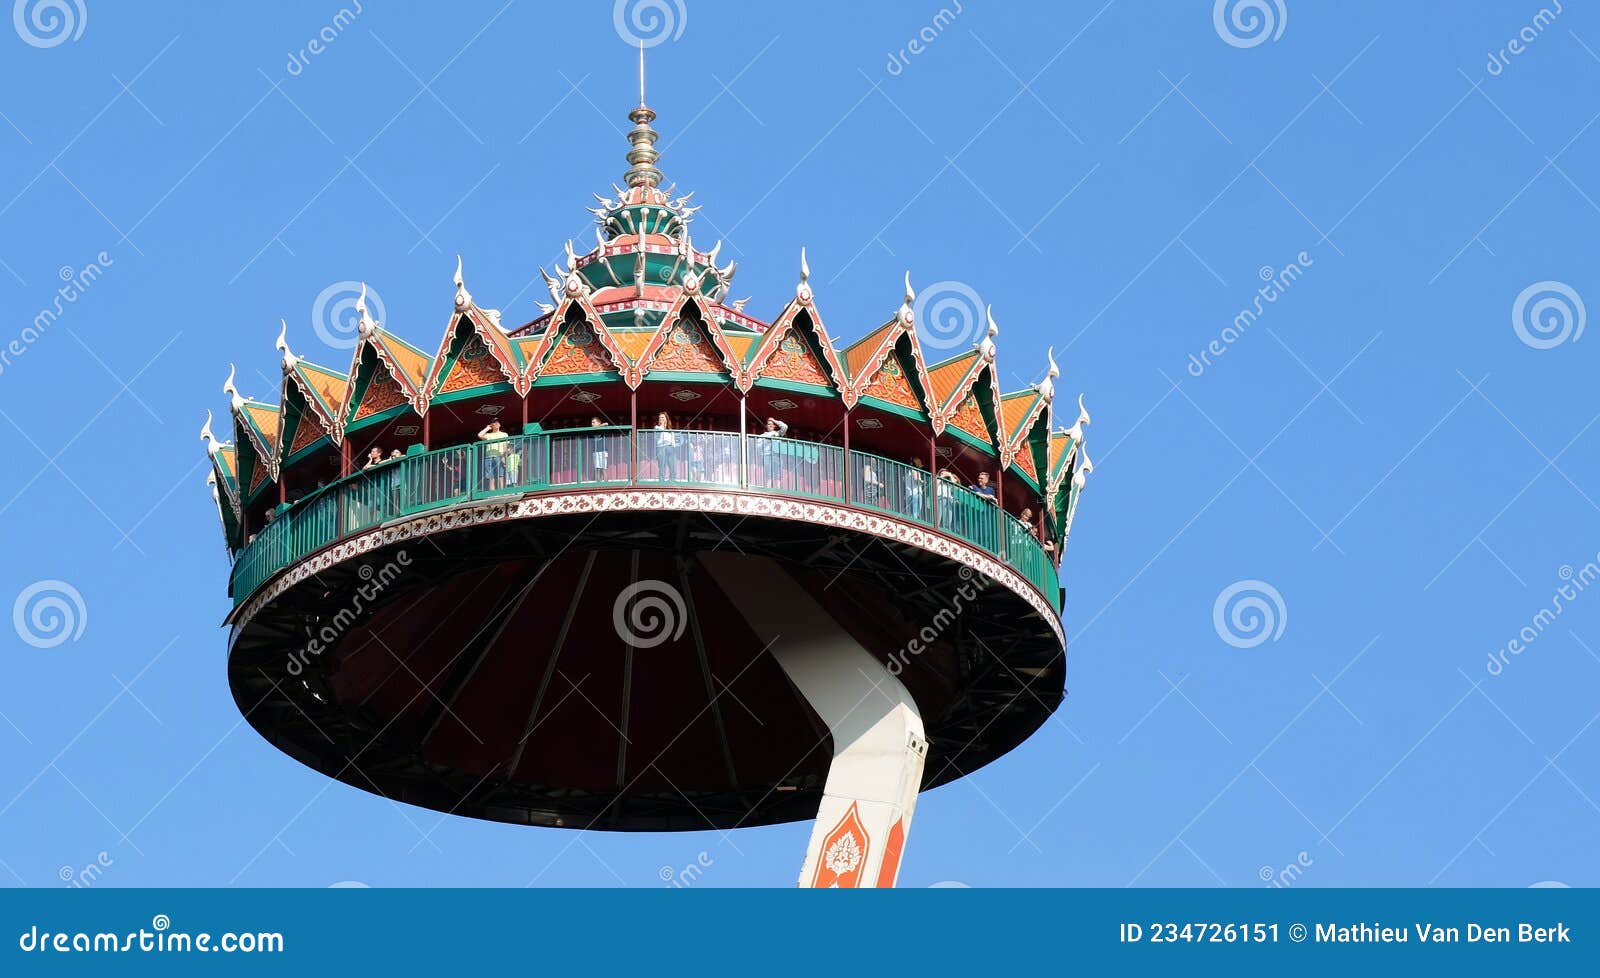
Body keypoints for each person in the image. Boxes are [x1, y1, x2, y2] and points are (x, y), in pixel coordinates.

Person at [478, 420, 509, 491]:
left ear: (500, 425)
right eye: (494, 423)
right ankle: (493, 493)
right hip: (488, 457)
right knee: (491, 477)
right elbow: (479, 435)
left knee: (500, 476)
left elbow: (505, 446)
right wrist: (487, 428)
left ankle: (502, 491)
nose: (496, 424)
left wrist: (504, 457)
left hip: (499, 456)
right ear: (492, 425)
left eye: (498, 422)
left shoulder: (504, 434)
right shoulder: (488, 435)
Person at [653, 412, 677, 482]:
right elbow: (660, 430)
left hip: (670, 447)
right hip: (661, 447)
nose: (661, 419)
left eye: (663, 417)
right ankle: (661, 480)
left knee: (671, 464)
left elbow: (673, 438)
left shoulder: (670, 429)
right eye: (660, 418)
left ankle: (672, 479)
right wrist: (662, 425)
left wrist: (673, 446)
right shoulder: (657, 427)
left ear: (666, 418)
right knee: (662, 464)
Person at [589, 416, 610, 481]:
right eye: (591, 423)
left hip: (603, 451)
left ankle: (606, 483)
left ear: (598, 423)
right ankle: (597, 483)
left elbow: (606, 424)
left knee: (603, 468)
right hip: (595, 451)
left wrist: (598, 426)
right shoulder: (591, 430)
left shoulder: (602, 428)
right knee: (597, 468)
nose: (592, 424)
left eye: (593, 422)